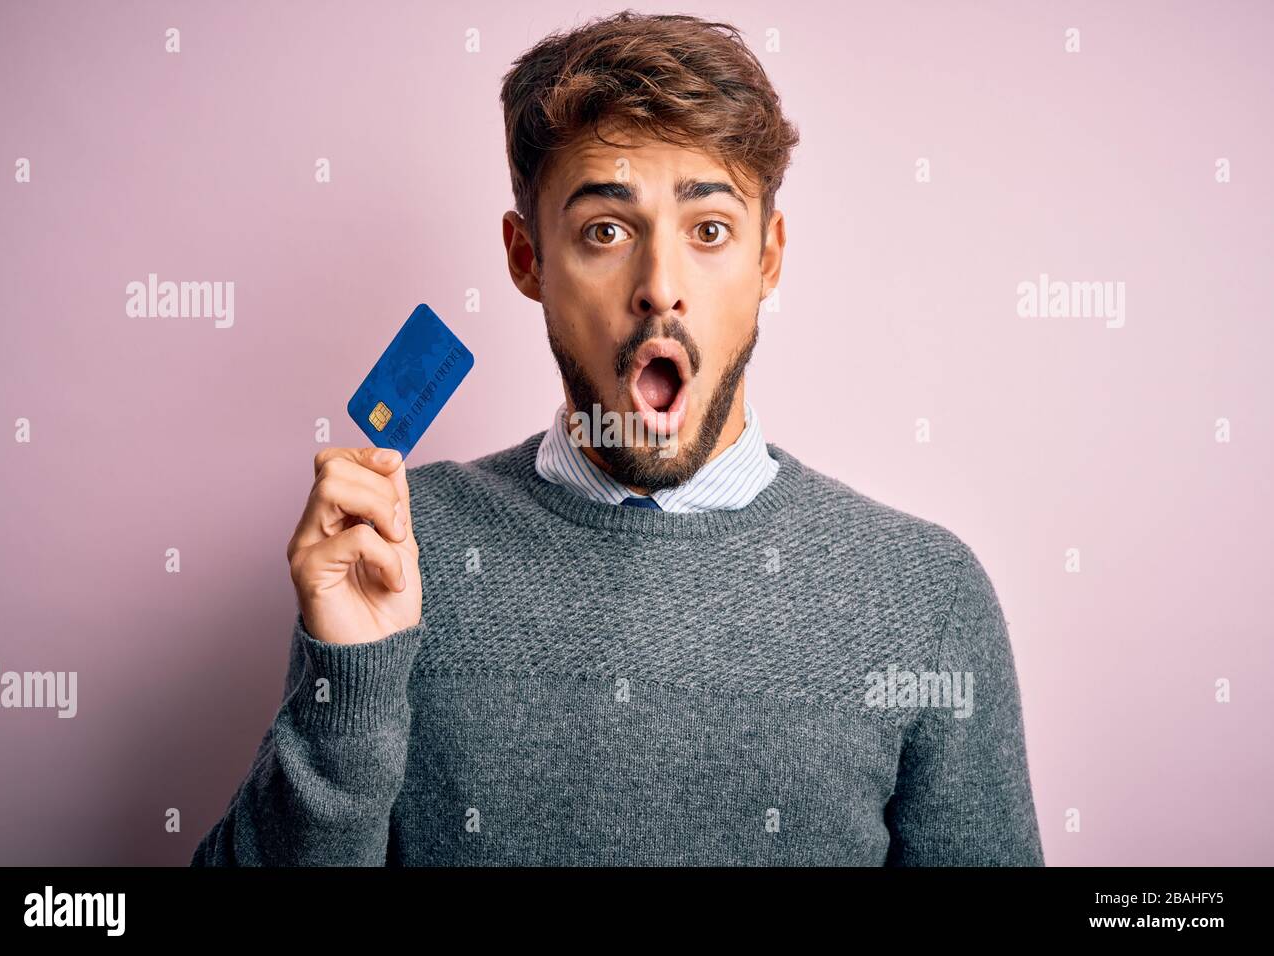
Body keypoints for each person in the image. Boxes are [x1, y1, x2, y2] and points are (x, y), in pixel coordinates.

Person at [192, 10, 1044, 866]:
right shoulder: (404, 552)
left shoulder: (924, 597)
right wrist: (350, 690)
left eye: (709, 231)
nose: (660, 288)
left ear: (768, 260)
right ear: (527, 260)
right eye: (606, 231)